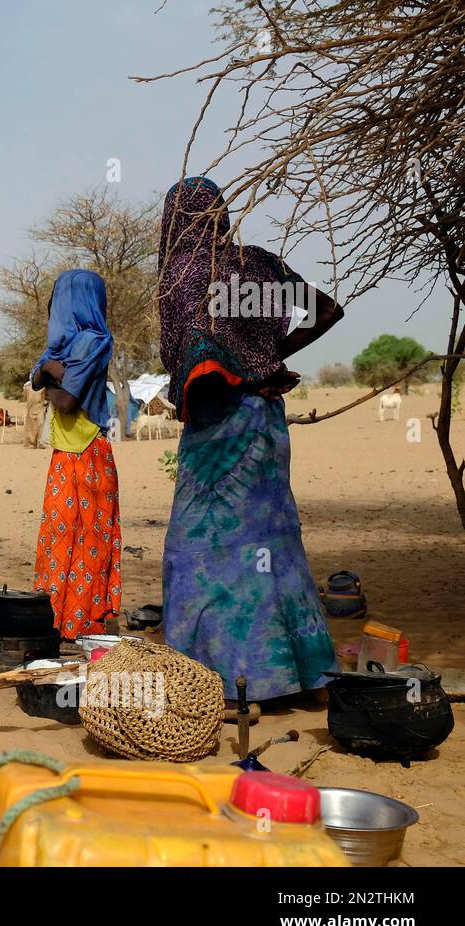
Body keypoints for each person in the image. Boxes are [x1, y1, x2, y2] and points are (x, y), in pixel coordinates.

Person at [158, 176, 342, 702]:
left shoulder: (186, 271)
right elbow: (328, 309)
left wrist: (241, 365)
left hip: (220, 426)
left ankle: (215, 678)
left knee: (197, 546)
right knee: (270, 541)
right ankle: (296, 676)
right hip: (266, 420)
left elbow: (202, 359)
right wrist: (269, 357)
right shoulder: (258, 264)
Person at [28, 270, 122, 639]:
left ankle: (80, 623)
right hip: (66, 456)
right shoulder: (63, 346)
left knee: (86, 545)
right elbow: (37, 376)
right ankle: (60, 622)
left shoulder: (94, 342)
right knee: (61, 541)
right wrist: (51, 370)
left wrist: (47, 371)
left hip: (87, 457)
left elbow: (65, 402)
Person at [23, 378, 47, 448]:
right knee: (32, 427)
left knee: (41, 425)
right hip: (31, 409)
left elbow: (43, 398)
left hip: (39, 409)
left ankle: (40, 442)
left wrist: (43, 405)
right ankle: (31, 443)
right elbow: (25, 398)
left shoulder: (42, 387)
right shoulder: (27, 388)